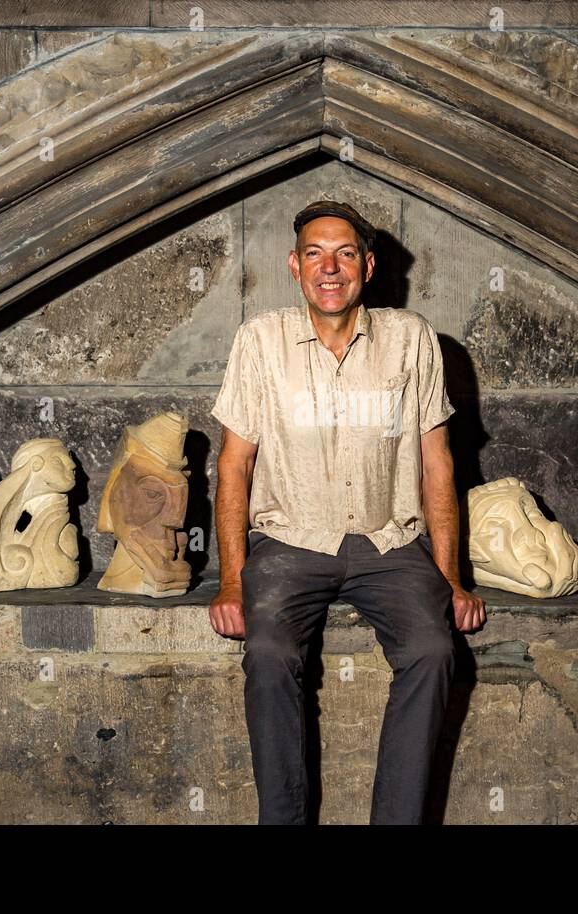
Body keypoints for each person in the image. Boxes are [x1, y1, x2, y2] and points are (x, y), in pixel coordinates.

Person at [208, 199, 486, 825]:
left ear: (368, 263)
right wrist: (232, 582)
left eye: (343, 254)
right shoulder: (260, 340)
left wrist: (451, 578)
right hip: (289, 543)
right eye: (314, 254)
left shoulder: (410, 338)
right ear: (294, 266)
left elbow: (437, 463)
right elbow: (234, 466)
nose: (328, 268)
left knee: (433, 652)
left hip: (389, 544)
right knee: (271, 653)